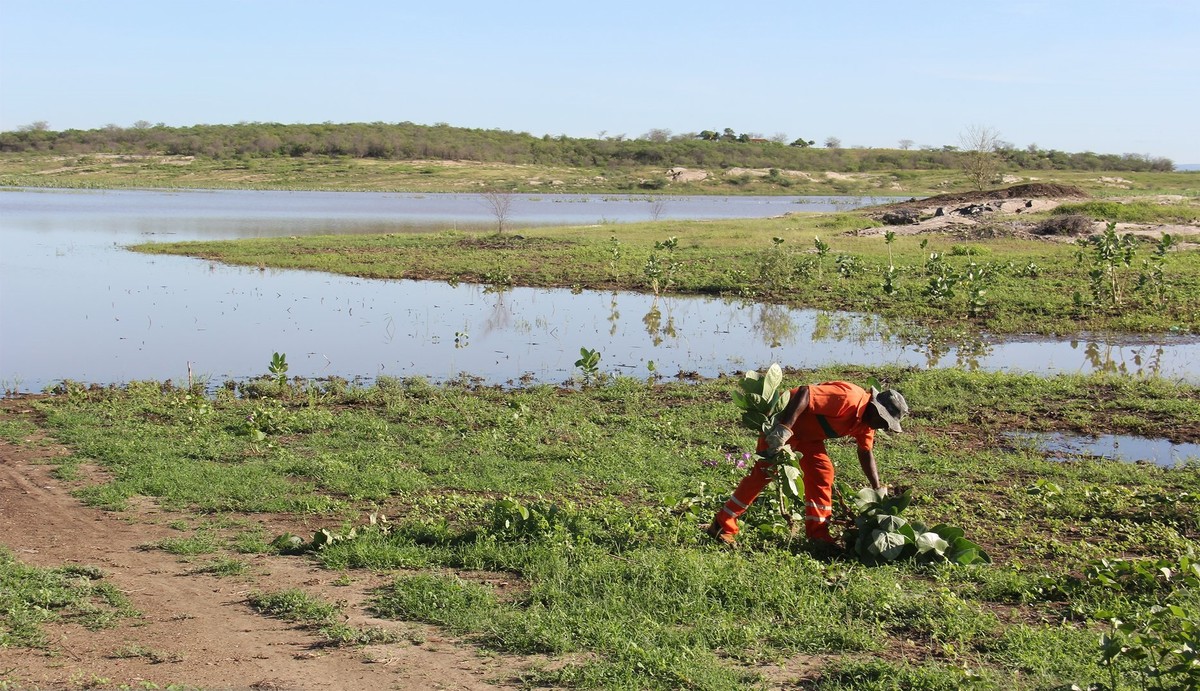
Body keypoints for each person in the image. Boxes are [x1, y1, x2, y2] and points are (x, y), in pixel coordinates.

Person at [707, 381, 908, 546]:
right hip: (784, 425)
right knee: (764, 472)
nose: (882, 427)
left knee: (823, 473)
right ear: (875, 408)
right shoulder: (848, 398)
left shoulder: (866, 422)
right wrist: (783, 429)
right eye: (884, 421)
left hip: (808, 437)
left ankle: (818, 535)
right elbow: (804, 394)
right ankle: (722, 524)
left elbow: (866, 453)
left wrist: (877, 488)